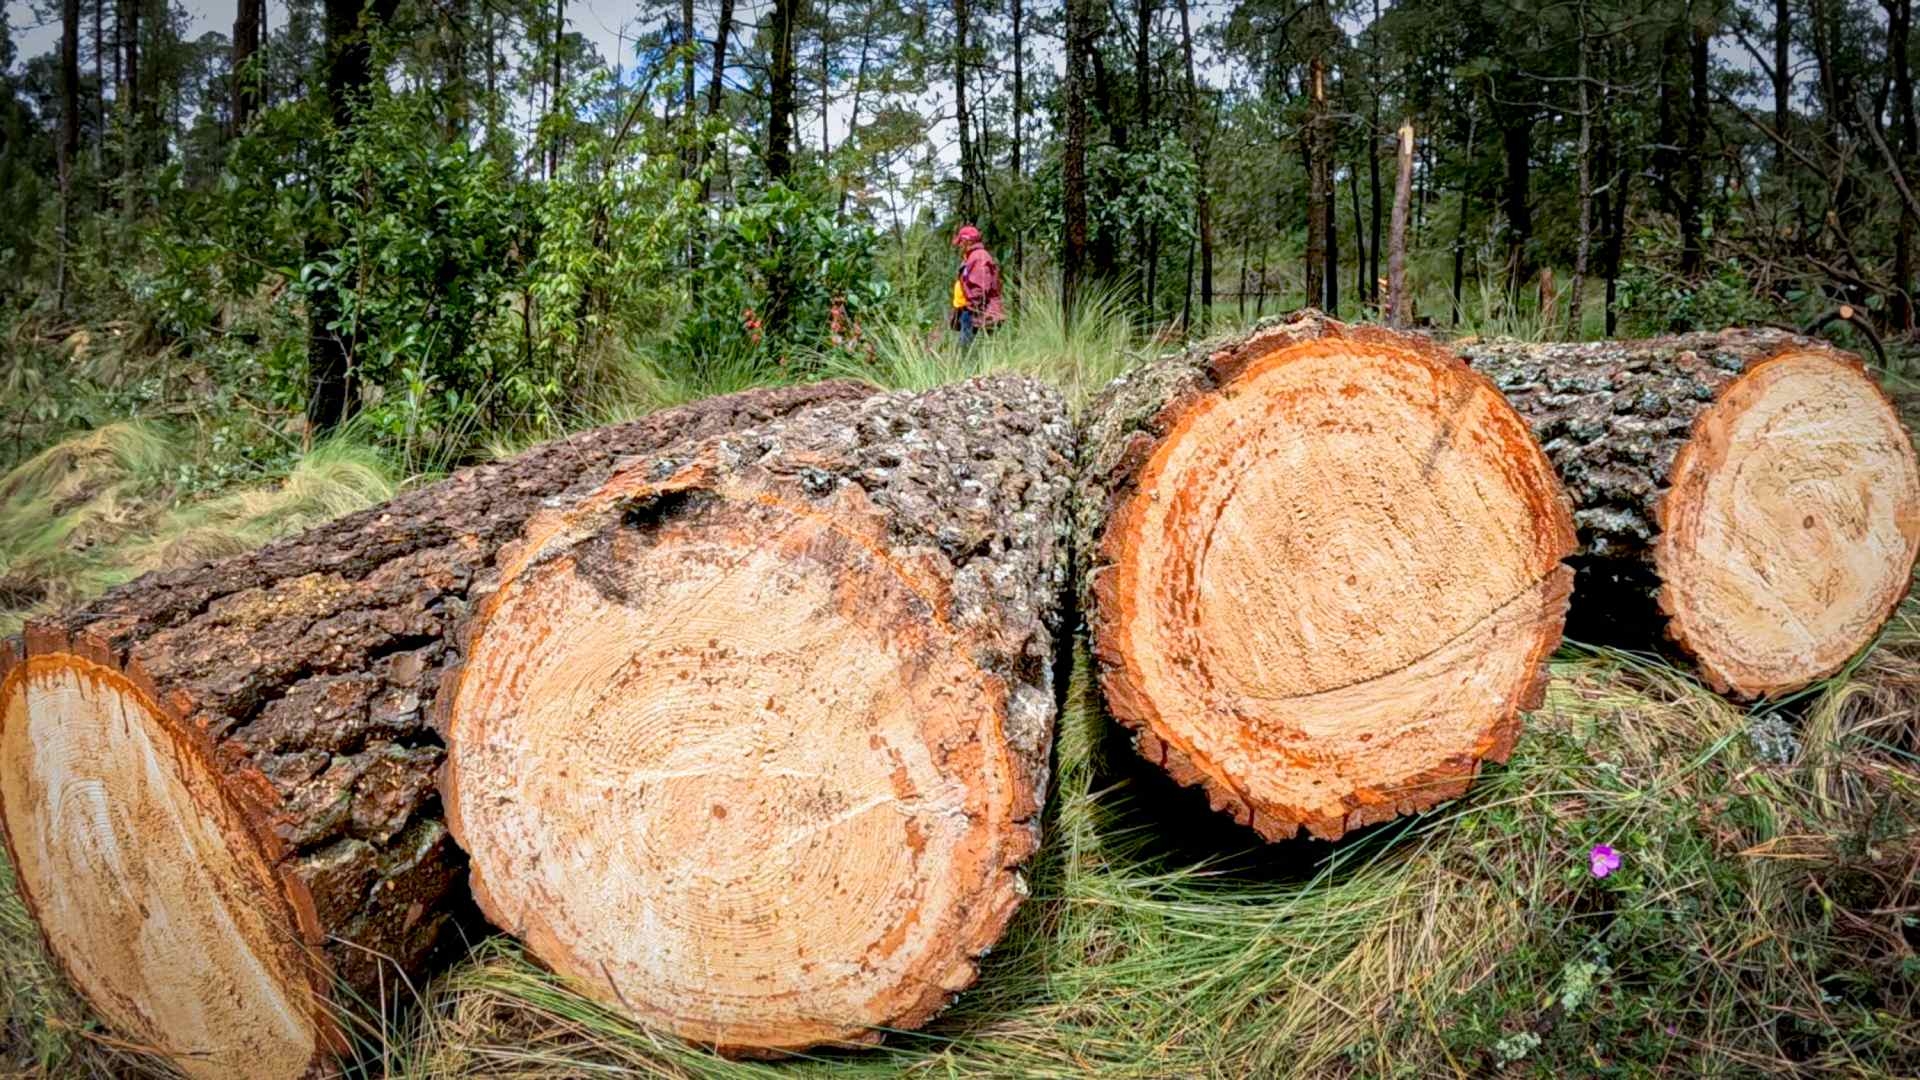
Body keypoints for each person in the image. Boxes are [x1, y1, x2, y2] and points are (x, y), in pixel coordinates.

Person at [950, 224, 1005, 347]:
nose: (959, 245)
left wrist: (971, 308)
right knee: (969, 351)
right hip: (974, 312)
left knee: (967, 352)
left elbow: (980, 287)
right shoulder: (973, 257)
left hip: (978, 314)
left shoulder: (979, 257)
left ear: (967, 241)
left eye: (961, 242)